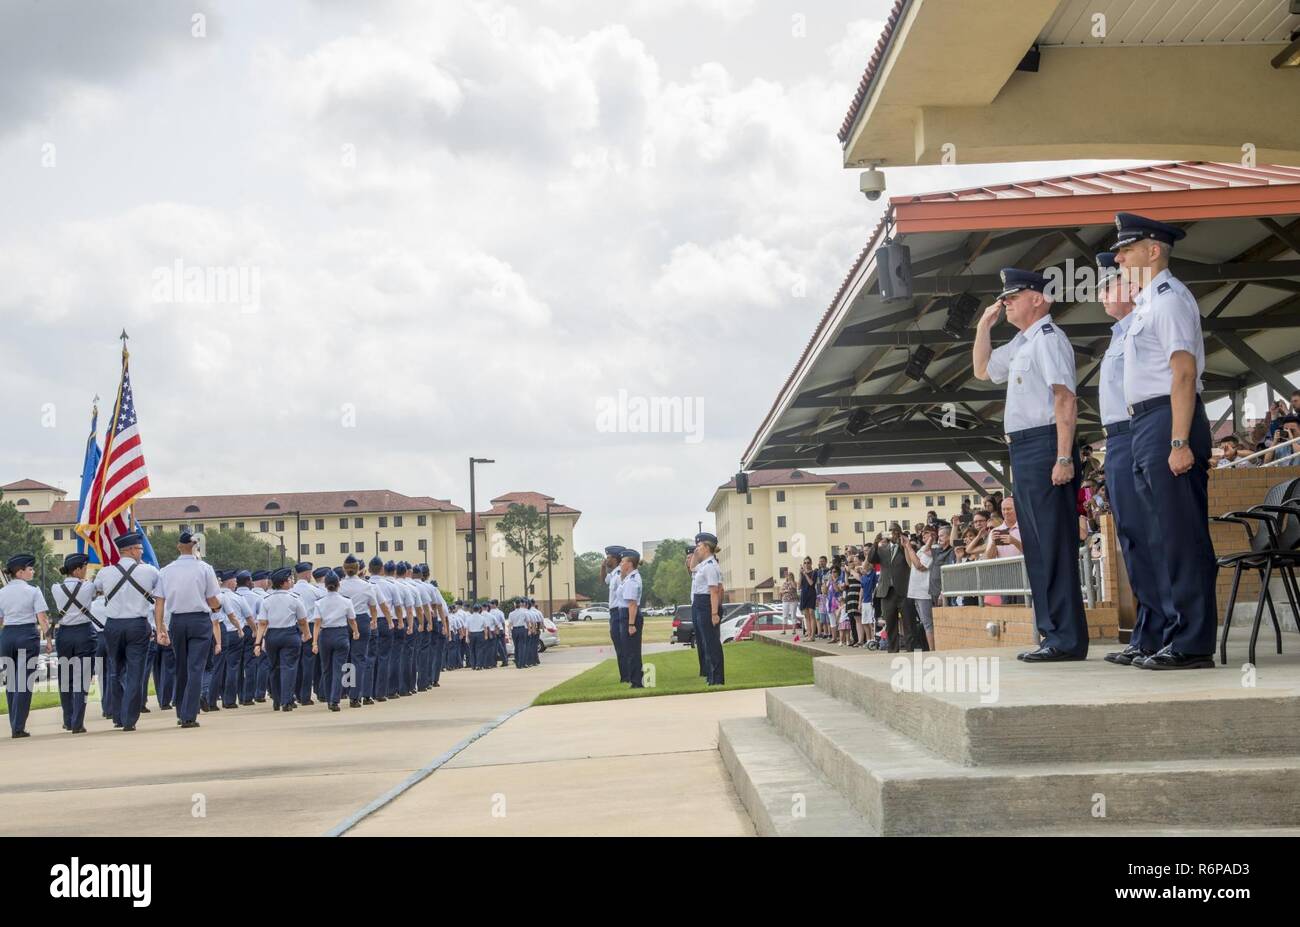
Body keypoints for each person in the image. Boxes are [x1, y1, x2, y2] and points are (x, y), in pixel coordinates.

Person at [1114, 212, 1217, 669]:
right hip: (1146, 423)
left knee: (1181, 535)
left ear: (1153, 250)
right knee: (1160, 536)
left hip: (1169, 419)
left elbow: (1183, 371)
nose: (1118, 256)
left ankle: (1192, 643)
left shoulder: (1169, 299)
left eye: (1126, 248)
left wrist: (1178, 441)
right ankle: (1175, 635)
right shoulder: (1147, 305)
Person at [974, 267, 1089, 662]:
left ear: (1038, 298)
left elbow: (1064, 399)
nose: (1005, 302)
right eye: (1004, 298)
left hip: (1045, 445)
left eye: (1013, 296)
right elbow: (983, 369)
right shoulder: (1023, 343)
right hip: (1024, 448)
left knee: (1054, 545)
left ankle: (1067, 638)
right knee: (1038, 547)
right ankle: (1051, 633)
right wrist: (983, 327)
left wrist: (1062, 456)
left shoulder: (1048, 340)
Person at [1090, 251, 1179, 667]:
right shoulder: (1120, 333)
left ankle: (1166, 628)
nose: (1101, 292)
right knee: (1133, 539)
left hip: (1135, 431)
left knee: (1151, 535)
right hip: (1117, 439)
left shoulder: (1142, 322)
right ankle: (1148, 630)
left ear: (1130, 289)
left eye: (1110, 283)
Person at [154, 530, 222, 729]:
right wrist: (217, 608)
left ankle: (181, 710)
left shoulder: (166, 570)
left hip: (177, 621)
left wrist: (160, 628)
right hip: (199, 620)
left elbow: (159, 602)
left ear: (178, 546)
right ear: (195, 547)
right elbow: (212, 599)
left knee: (181, 667)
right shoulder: (205, 568)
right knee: (196, 668)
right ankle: (189, 714)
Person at [93, 532, 160, 730]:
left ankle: (117, 715)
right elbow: (160, 592)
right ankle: (129, 718)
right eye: (139, 549)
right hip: (137, 625)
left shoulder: (105, 572)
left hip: (113, 625)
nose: (141, 552)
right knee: (135, 673)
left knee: (115, 670)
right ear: (130, 550)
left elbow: (98, 588)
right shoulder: (149, 571)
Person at [0, 553, 51, 737]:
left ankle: (14, 721)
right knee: (25, 681)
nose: (33, 571)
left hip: (7, 635)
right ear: (20, 572)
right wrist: (49, 639)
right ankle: (18, 726)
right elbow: (42, 618)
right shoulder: (33, 591)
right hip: (26, 634)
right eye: (30, 569)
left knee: (12, 682)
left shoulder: (2, 592)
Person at [50, 552, 97, 734]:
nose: (86, 571)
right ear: (77, 570)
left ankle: (68, 719)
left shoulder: (56, 588)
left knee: (66, 679)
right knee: (82, 679)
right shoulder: (88, 587)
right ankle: (77, 721)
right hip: (84, 632)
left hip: (64, 634)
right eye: (84, 568)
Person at [254, 567, 310, 710]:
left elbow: (262, 623)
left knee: (274, 668)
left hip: (272, 635)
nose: (292, 581)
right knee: (289, 667)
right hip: (290, 635)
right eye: (290, 579)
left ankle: (277, 700)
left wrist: (258, 642)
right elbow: (302, 620)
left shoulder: (266, 600)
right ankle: (287, 700)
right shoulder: (295, 599)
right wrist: (307, 634)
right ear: (284, 583)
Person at [312, 570, 358, 712]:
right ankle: (335, 700)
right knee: (339, 669)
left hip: (325, 635)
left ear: (325, 585)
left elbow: (317, 624)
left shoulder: (319, 602)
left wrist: (314, 642)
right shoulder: (346, 601)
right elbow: (352, 620)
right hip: (341, 634)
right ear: (339, 585)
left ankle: (328, 698)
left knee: (326, 669)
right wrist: (356, 631)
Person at [339, 556, 379, 707]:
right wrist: (373, 620)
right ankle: (355, 696)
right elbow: (373, 606)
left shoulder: (340, 585)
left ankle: (345, 689)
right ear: (359, 569)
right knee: (359, 659)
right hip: (361, 619)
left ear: (344, 569)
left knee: (345, 658)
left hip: (343, 620)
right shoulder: (366, 586)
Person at [688, 532, 725, 685]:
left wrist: (714, 613)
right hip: (699, 603)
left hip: (706, 604)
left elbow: (714, 591)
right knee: (705, 643)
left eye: (699, 546)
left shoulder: (710, 566)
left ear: (707, 547)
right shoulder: (703, 565)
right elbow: (691, 568)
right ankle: (711, 676)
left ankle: (717, 678)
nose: (697, 549)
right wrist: (696, 555)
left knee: (711, 643)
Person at [869, 525, 911, 653]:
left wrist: (905, 545)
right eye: (891, 532)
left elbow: (910, 563)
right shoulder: (883, 549)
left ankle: (911, 649)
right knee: (890, 623)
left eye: (895, 532)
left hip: (903, 590)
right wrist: (876, 542)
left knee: (908, 622)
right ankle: (893, 650)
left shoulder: (905, 547)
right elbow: (871, 559)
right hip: (887, 591)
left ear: (899, 533)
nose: (893, 534)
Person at [902, 527, 935, 650]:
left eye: (927, 533)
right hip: (916, 591)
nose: (924, 536)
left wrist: (909, 547)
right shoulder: (922, 549)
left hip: (924, 591)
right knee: (925, 623)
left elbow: (919, 565)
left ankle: (932, 650)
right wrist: (906, 546)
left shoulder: (932, 550)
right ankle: (931, 648)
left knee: (928, 623)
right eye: (923, 534)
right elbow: (910, 563)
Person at [618, 549, 645, 687]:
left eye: (622, 562)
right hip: (626, 614)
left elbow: (632, 604)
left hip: (629, 616)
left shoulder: (632, 580)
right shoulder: (628, 578)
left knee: (632, 651)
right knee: (629, 650)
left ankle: (636, 681)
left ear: (629, 564)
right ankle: (635, 679)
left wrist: (631, 624)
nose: (620, 564)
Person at [600, 545, 627, 682]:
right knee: (618, 645)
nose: (606, 559)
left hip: (619, 611)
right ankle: (624, 675)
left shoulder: (621, 573)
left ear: (615, 559)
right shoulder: (614, 573)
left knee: (622, 645)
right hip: (614, 613)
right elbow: (604, 580)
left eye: (608, 557)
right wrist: (603, 567)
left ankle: (626, 676)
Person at [797, 556, 817, 639]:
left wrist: (805, 574)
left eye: (808, 562)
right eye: (805, 563)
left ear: (811, 563)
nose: (806, 564)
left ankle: (813, 635)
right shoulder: (802, 574)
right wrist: (800, 574)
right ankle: (808, 634)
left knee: (811, 613)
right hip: (804, 594)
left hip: (811, 594)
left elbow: (811, 583)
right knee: (806, 615)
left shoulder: (814, 572)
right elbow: (799, 586)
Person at [509, 598, 530, 669]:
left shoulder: (511, 613)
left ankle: (518, 663)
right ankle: (522, 663)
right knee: (522, 646)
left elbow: (510, 624)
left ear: (515, 605)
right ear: (520, 604)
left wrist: (509, 633)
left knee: (516, 647)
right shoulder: (524, 612)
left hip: (514, 629)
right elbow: (527, 621)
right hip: (522, 629)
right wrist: (529, 630)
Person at [780, 570, 799, 635]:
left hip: (793, 601)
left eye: (790, 576)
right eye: (788, 576)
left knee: (793, 615)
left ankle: (793, 630)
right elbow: (781, 591)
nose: (789, 577)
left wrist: (791, 581)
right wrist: (785, 591)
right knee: (785, 615)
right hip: (785, 600)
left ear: (792, 577)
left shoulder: (794, 582)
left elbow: (794, 587)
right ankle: (783, 630)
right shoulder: (784, 583)